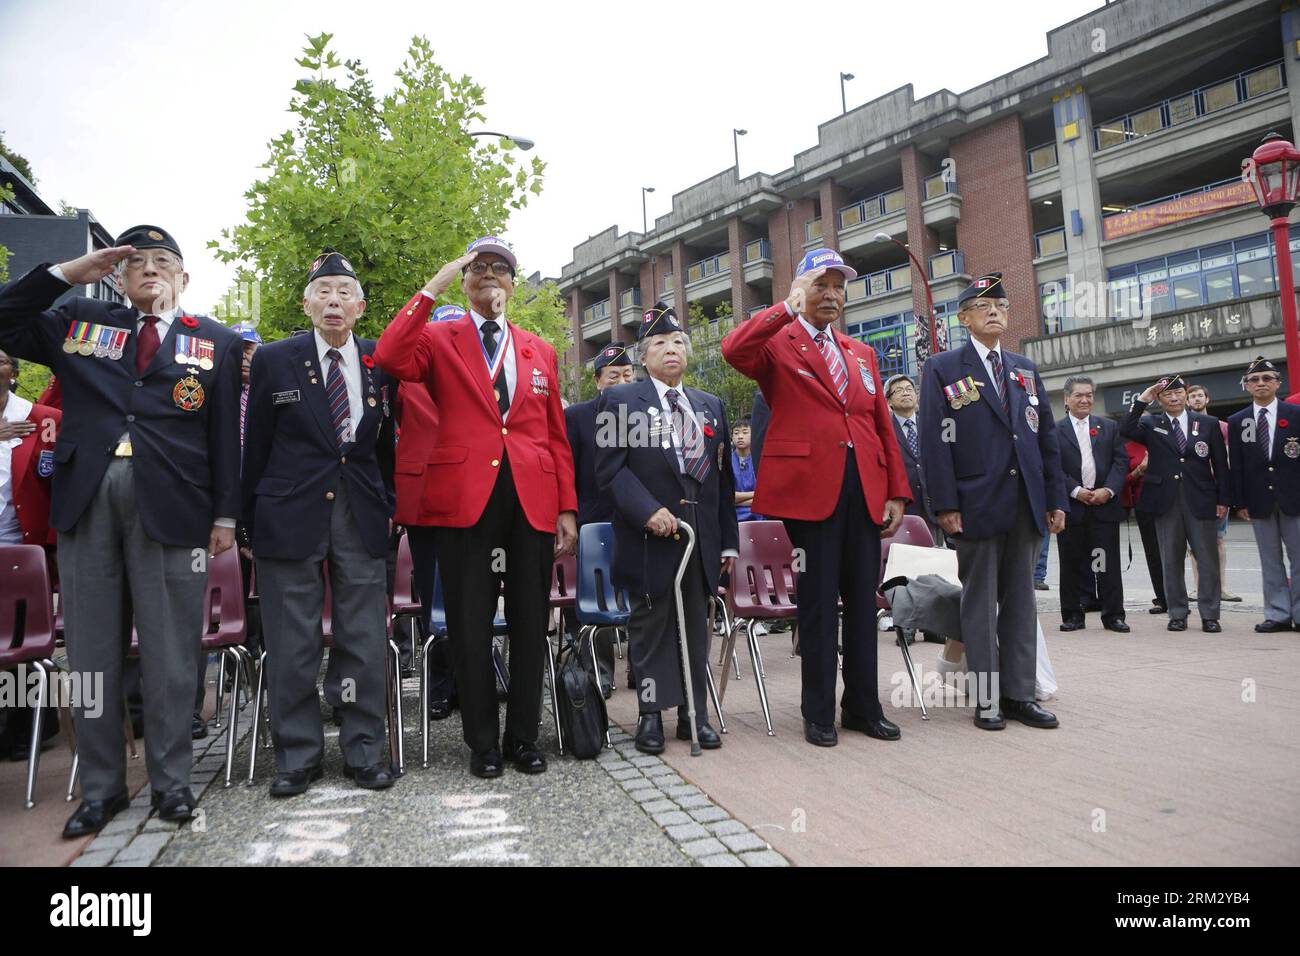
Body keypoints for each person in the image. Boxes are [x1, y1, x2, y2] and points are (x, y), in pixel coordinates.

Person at [0, 225, 241, 836]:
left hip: (173, 506)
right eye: (136, 263)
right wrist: (67, 273)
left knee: (170, 653)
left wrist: (225, 516)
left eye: (164, 262)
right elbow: (4, 320)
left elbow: (223, 439)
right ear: (118, 276)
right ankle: (101, 788)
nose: (150, 270)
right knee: (90, 653)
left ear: (184, 279)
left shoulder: (212, 340)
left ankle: (172, 784)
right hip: (89, 501)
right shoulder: (82, 321)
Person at [374, 237, 578, 779]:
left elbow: (555, 435)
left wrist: (567, 508)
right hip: (465, 498)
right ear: (464, 282)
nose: (490, 276)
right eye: (478, 269)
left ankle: (524, 737)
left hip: (532, 500)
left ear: (514, 284)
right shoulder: (441, 337)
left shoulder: (539, 349)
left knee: (534, 621)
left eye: (501, 270)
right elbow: (390, 357)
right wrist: (431, 287)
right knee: (469, 623)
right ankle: (483, 743)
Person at [723, 248, 909, 747]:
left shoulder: (860, 352)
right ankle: (818, 712)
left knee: (865, 606)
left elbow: (879, 424)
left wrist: (896, 490)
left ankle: (863, 707)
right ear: (801, 289)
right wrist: (785, 307)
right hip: (811, 495)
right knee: (819, 603)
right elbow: (733, 350)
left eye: (838, 287)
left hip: (864, 489)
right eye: (820, 285)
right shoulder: (778, 342)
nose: (831, 294)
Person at [241, 248, 397, 796]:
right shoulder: (273, 360)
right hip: (288, 514)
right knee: (292, 641)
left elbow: (386, 448)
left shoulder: (381, 361)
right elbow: (254, 443)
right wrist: (246, 521)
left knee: (362, 638)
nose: (334, 300)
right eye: (323, 291)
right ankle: (297, 756)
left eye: (343, 292)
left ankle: (363, 750)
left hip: (361, 513)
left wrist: (391, 501)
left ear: (361, 306)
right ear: (306, 303)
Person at [919, 272, 1065, 731]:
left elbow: (1046, 440)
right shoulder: (943, 367)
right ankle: (986, 699)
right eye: (983, 307)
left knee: (1023, 601)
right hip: (974, 504)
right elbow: (933, 443)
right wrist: (944, 505)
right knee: (979, 603)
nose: (994, 312)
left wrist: (1055, 498)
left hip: (1026, 504)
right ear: (964, 318)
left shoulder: (1024, 368)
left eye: (1000, 305)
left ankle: (1019, 694)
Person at [595, 304, 738, 753]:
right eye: (659, 343)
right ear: (644, 357)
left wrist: (728, 544)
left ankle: (693, 715)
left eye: (677, 342)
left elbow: (723, 481)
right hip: (647, 534)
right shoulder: (620, 401)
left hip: (700, 537)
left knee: (697, 628)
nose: (670, 349)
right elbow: (611, 472)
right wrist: (647, 510)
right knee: (652, 626)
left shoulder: (709, 405)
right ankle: (651, 715)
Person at [393, 303, 466, 721]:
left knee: (474, 595)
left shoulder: (479, 378)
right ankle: (439, 686)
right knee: (433, 598)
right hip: (422, 502)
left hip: (470, 499)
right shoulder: (408, 378)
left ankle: (473, 677)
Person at [1121, 374, 1229, 632]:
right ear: (1160, 399)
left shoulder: (1208, 423)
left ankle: (1210, 614)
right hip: (1165, 500)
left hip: (1200, 499)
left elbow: (1221, 466)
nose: (1174, 397)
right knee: (1170, 560)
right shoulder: (1151, 423)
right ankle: (1177, 612)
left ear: (1186, 394)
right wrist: (1142, 400)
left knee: (1207, 559)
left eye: (1179, 392)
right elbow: (1125, 429)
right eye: (1167, 394)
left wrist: (1224, 499)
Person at [0, 348, 63, 760]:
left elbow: (60, 486)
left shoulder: (44, 420)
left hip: (23, 551)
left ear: (14, 372)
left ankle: (29, 725)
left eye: (1, 359)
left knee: (21, 641)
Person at [564, 342, 636, 692]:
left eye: (627, 374)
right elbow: (567, 470)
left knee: (640, 596)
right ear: (598, 381)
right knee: (598, 598)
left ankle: (643, 669)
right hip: (593, 522)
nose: (621, 381)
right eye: (613, 376)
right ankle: (599, 673)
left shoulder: (646, 411)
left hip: (638, 520)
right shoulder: (577, 416)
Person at [1228, 357, 1300, 632]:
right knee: (1270, 560)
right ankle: (1278, 614)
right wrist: (1240, 502)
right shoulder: (1238, 421)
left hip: (1294, 498)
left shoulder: (1295, 415)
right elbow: (1237, 465)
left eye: (1267, 378)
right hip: (1259, 501)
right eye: (1254, 380)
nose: (1260, 383)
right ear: (1246, 386)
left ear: (1277, 383)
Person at [1054, 375, 1128, 632]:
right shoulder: (1054, 430)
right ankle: (1074, 615)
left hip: (1103, 506)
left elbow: (1121, 462)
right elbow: (1051, 468)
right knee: (1072, 563)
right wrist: (1075, 491)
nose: (1084, 400)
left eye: (1089, 395)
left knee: (1107, 563)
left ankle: (1113, 615)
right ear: (1067, 399)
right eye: (1078, 395)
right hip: (1071, 508)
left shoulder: (1109, 427)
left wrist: (1107, 490)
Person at [1186, 383, 1241, 602]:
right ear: (1187, 401)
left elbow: (1228, 459)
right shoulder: (1183, 425)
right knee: (1194, 542)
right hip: (1193, 490)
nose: (1197, 399)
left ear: (1207, 399)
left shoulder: (1223, 427)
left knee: (1218, 540)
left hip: (1216, 489)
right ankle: (1198, 588)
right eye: (1193, 396)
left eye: (1200, 395)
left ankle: (1222, 587)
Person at [884, 373, 932, 538]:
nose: (905, 393)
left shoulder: (932, 424)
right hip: (904, 508)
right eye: (898, 391)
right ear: (889, 401)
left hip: (935, 505)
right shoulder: (884, 431)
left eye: (909, 389)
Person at [1123, 439, 1166, 613]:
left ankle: (1178, 597)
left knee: (1174, 552)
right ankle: (1163, 598)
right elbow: (1123, 480)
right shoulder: (1127, 448)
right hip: (1144, 505)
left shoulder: (1163, 441)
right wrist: (1140, 470)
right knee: (1154, 553)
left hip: (1170, 503)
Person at [729, 416, 762, 522]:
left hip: (760, 516)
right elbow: (726, 496)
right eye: (736, 433)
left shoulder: (760, 460)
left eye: (745, 432)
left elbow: (766, 497)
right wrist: (755, 495)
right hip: (733, 517)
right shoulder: (726, 462)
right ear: (731, 437)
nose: (740, 436)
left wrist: (737, 500)